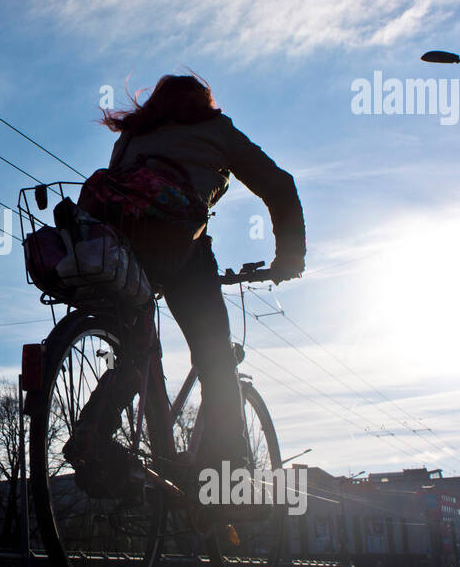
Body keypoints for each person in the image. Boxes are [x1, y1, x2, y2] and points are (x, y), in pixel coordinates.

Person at [65, 73, 305, 483]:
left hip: (116, 251)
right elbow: (279, 185)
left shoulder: (131, 136)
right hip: (178, 248)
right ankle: (227, 472)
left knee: (136, 351)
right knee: (214, 356)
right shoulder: (214, 129)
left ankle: (93, 430)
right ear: (203, 103)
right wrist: (288, 258)